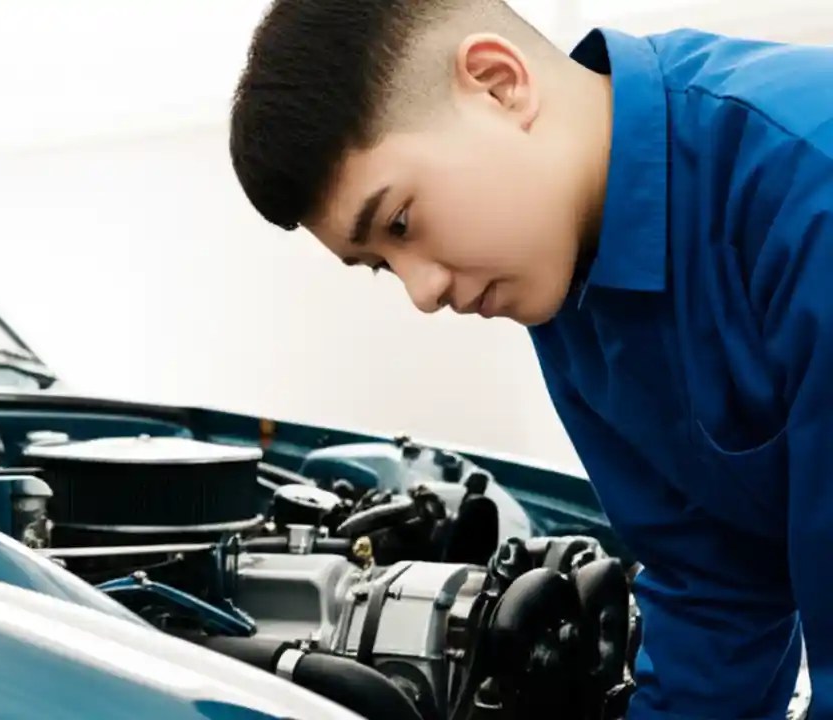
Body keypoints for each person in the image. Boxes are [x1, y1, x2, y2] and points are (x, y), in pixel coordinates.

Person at [227, 0, 833, 717]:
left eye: (400, 222)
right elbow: (713, 593)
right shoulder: (564, 277)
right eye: (381, 266)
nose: (422, 293)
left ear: (497, 82)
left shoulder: (808, 191)